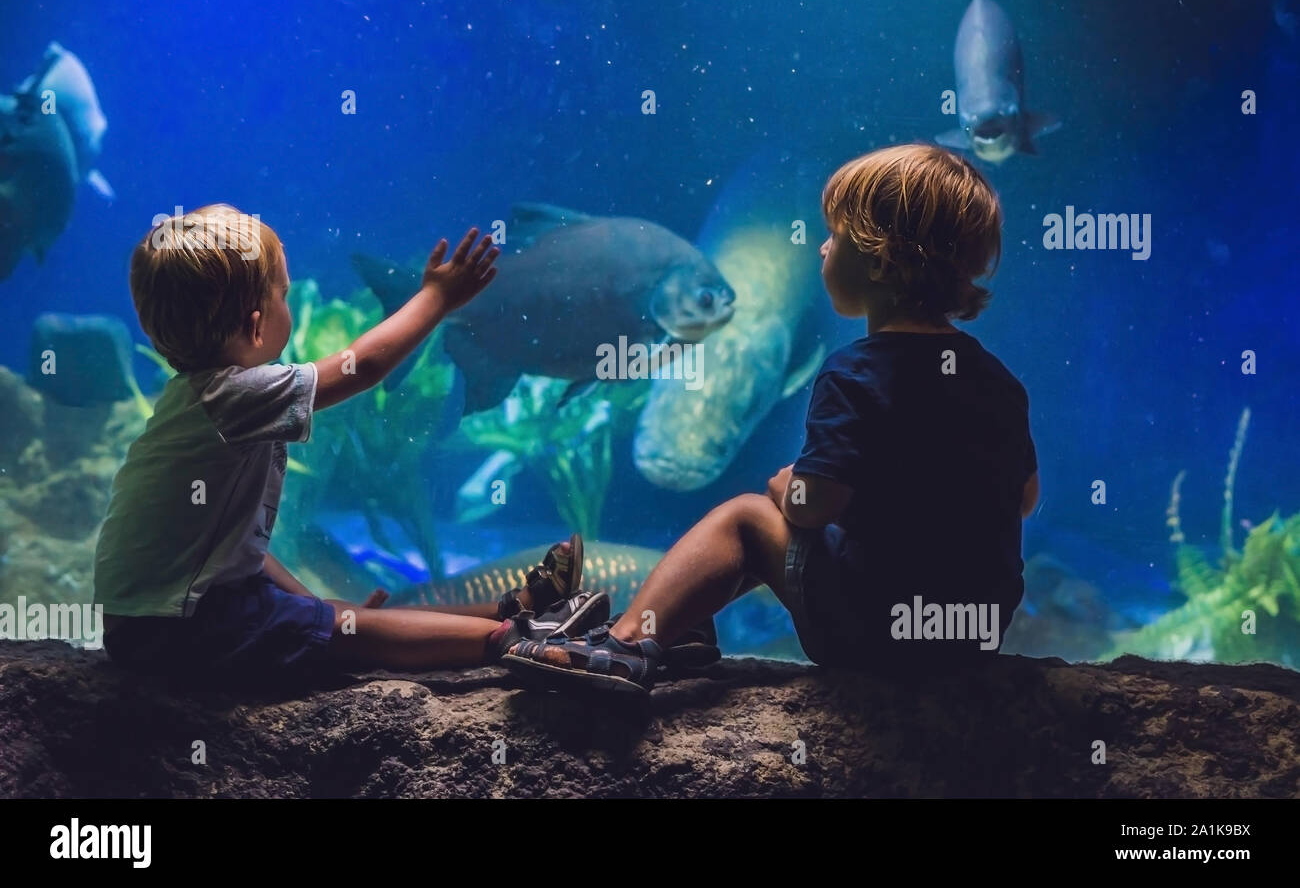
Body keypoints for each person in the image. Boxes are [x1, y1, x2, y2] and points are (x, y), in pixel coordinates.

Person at [503, 144, 1039, 696]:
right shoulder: (998, 381)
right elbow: (1021, 498)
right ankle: (679, 632)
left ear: (880, 262)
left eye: (836, 237)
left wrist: (789, 490)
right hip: (971, 639)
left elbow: (816, 507)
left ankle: (623, 647)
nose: (823, 247)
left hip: (873, 638)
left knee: (747, 520)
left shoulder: (855, 373)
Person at [94, 204, 606, 681]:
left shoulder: (199, 400)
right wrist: (437, 297)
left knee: (348, 620)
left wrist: (323, 607)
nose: (287, 303)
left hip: (162, 622)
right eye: (283, 294)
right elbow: (364, 366)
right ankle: (521, 642)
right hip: (177, 631)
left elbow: (237, 555)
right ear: (255, 327)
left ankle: (509, 610)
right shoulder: (234, 395)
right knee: (355, 634)